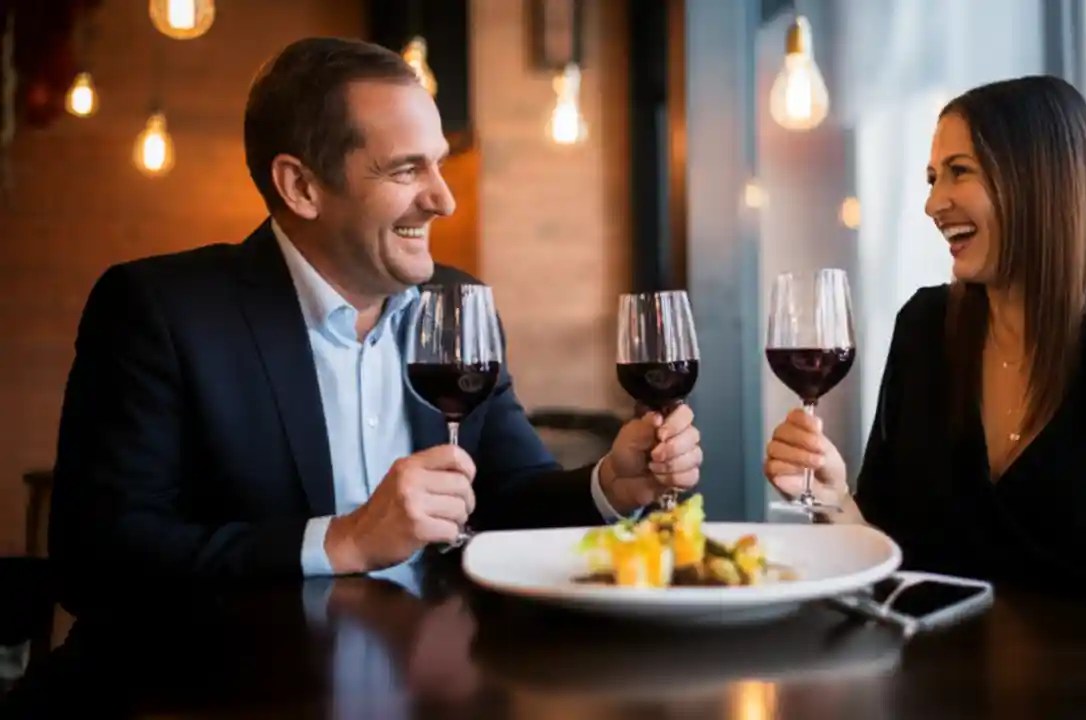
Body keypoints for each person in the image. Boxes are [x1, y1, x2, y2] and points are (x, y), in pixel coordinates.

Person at [49, 37, 703, 618]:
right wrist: (346, 539)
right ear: (301, 186)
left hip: (438, 684)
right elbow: (97, 560)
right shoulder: (160, 311)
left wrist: (608, 487)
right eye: (405, 169)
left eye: (439, 163)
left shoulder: (458, 303)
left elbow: (510, 494)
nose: (443, 198)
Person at [764, 75, 1086, 630]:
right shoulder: (925, 327)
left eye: (960, 172)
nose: (933, 203)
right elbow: (891, 561)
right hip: (939, 690)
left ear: (1039, 180)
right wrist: (834, 497)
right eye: (933, 178)